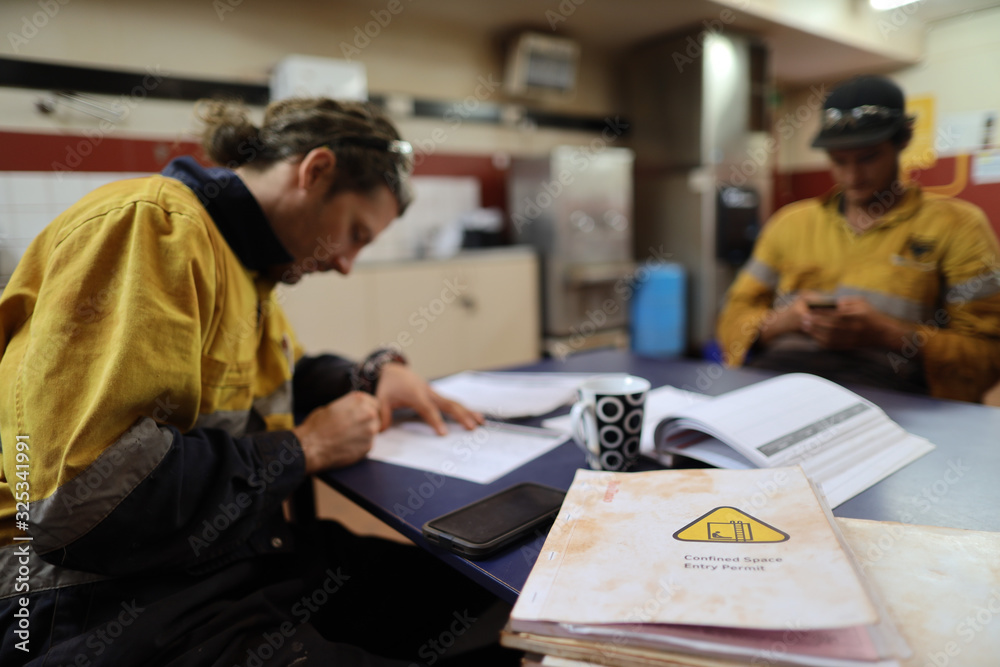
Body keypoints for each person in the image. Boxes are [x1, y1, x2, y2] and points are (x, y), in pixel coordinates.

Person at [0, 98, 519, 666]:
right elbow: (84, 505)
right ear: (314, 170)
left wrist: (370, 375)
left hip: (218, 552)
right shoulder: (153, 225)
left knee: (483, 598)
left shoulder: (247, 269)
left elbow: (268, 380)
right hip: (80, 597)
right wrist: (308, 447)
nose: (347, 264)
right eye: (355, 233)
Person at [717, 75, 1000, 402]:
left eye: (868, 158)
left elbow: (988, 355)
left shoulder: (958, 226)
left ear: (903, 140)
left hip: (887, 391)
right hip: (781, 381)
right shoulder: (789, 224)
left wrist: (889, 335)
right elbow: (732, 317)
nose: (852, 177)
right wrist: (785, 321)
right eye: (839, 161)